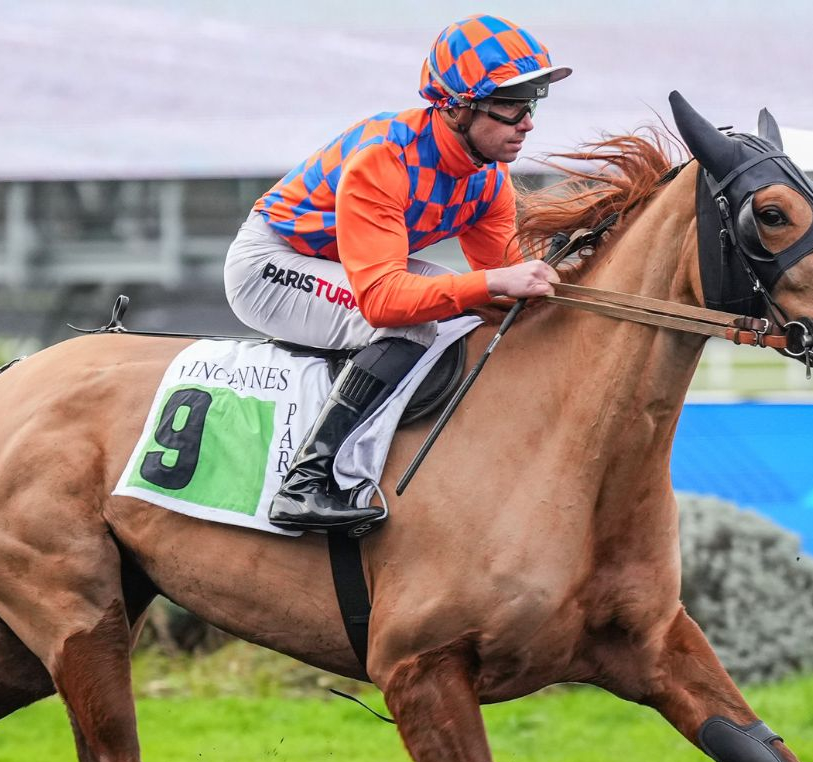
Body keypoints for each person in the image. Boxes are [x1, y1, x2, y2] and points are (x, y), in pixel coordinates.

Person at [224, 14, 568, 532]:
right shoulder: (385, 158)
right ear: (455, 108)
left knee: (465, 311)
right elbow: (383, 300)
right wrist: (495, 283)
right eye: (509, 104)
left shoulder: (488, 178)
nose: (527, 121)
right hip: (271, 265)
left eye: (532, 101)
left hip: (342, 262)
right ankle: (304, 483)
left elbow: (503, 287)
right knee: (411, 322)